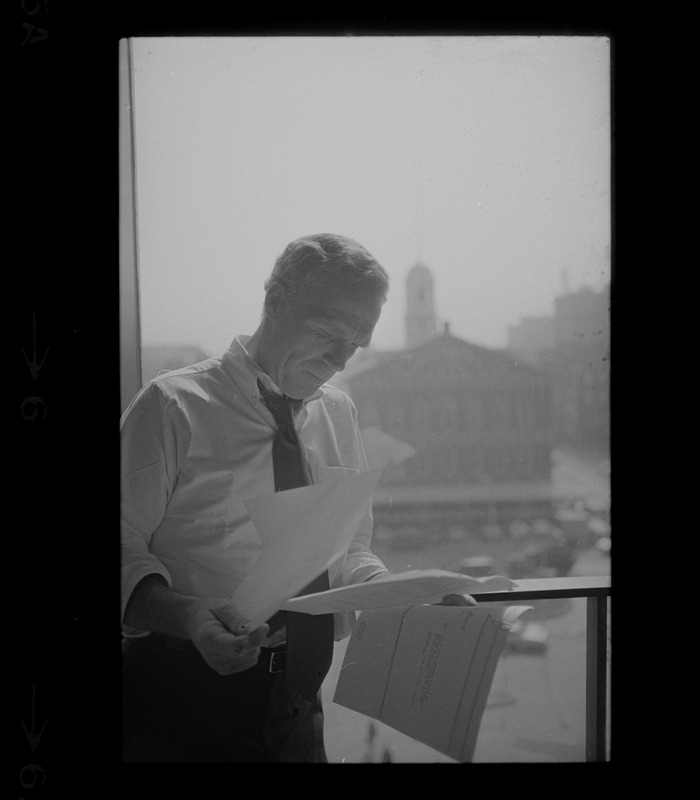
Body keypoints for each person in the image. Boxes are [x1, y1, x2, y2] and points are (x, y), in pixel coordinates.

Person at [121, 233, 473, 763]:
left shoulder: (339, 413)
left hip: (299, 705)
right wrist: (190, 615)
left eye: (357, 345)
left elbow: (347, 553)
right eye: (331, 334)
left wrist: (400, 592)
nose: (342, 360)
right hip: (178, 701)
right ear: (275, 300)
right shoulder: (169, 407)